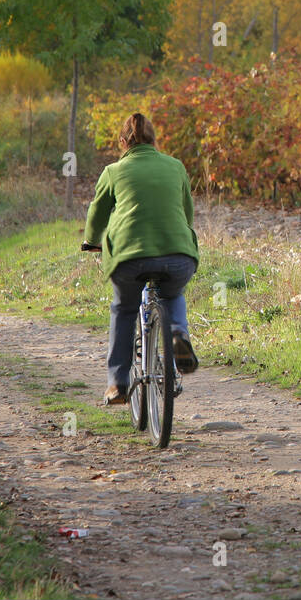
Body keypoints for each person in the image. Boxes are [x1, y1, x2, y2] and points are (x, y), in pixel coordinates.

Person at [82, 112, 199, 405]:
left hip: (129, 257)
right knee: (173, 293)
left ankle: (118, 384)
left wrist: (91, 242)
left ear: (123, 142)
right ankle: (176, 333)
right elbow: (187, 213)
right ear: (154, 141)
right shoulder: (176, 167)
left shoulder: (113, 171)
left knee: (124, 308)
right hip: (177, 254)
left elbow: (96, 215)